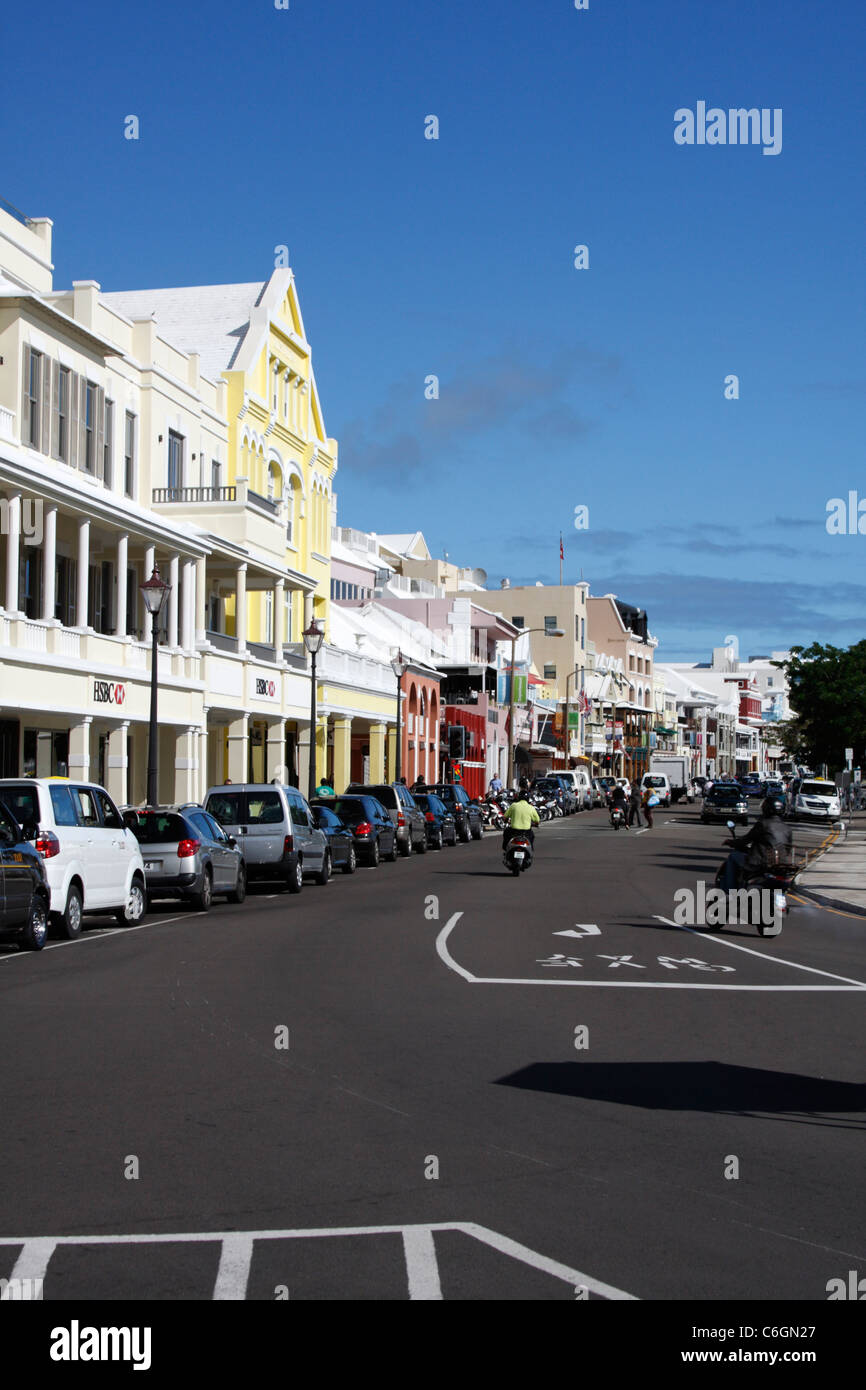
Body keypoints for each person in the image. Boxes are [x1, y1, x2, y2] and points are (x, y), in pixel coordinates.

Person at [720, 797, 793, 890]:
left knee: (733, 857)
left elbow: (746, 840)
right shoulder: (787, 828)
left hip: (760, 863)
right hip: (780, 865)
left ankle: (729, 891)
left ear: (766, 809)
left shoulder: (763, 824)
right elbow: (787, 849)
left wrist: (731, 842)